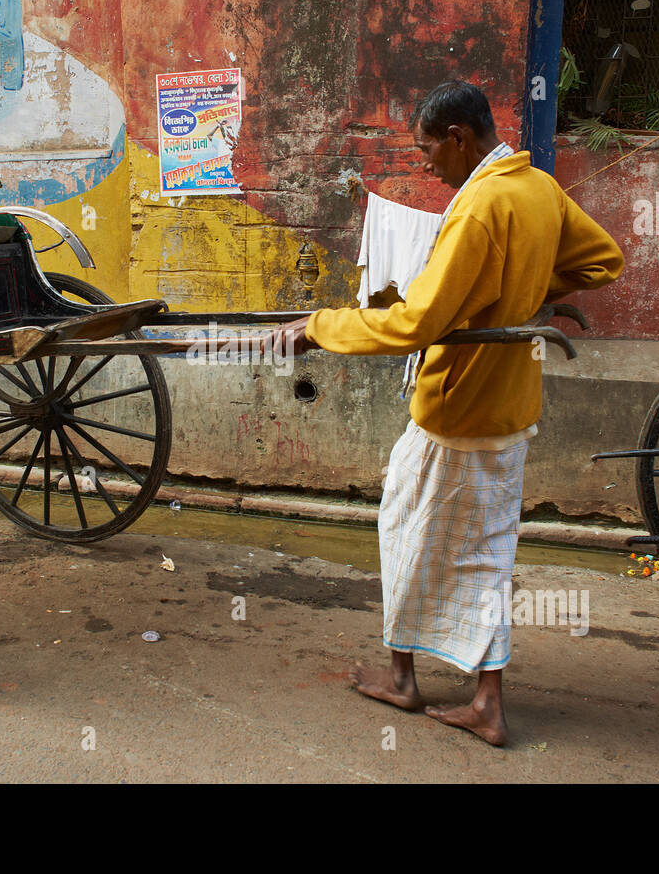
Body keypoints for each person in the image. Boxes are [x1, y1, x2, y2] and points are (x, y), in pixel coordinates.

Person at [263, 79, 624, 746]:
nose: (425, 165)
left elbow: (414, 324)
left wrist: (320, 327)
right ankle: (487, 700)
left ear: (459, 138)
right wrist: (530, 296)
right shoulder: (537, 187)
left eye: (429, 150)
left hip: (456, 412)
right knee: (487, 553)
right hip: (512, 411)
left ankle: (402, 677)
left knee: (405, 530)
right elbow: (605, 260)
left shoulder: (480, 207)